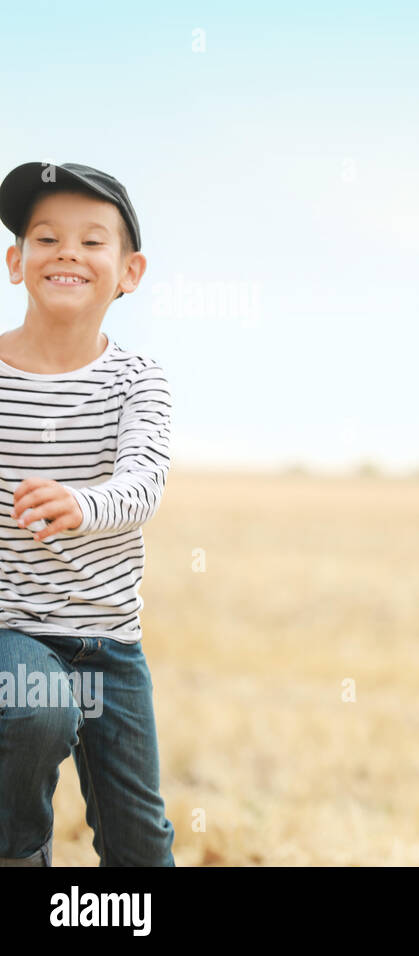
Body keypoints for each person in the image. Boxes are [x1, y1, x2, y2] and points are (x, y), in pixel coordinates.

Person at [0, 162, 174, 866]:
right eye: (46, 237)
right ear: (17, 262)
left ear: (129, 271)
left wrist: (80, 503)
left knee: (141, 842)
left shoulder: (139, 379)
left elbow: (145, 483)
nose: (67, 251)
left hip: (109, 643)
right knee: (37, 709)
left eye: (91, 241)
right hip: (12, 628)